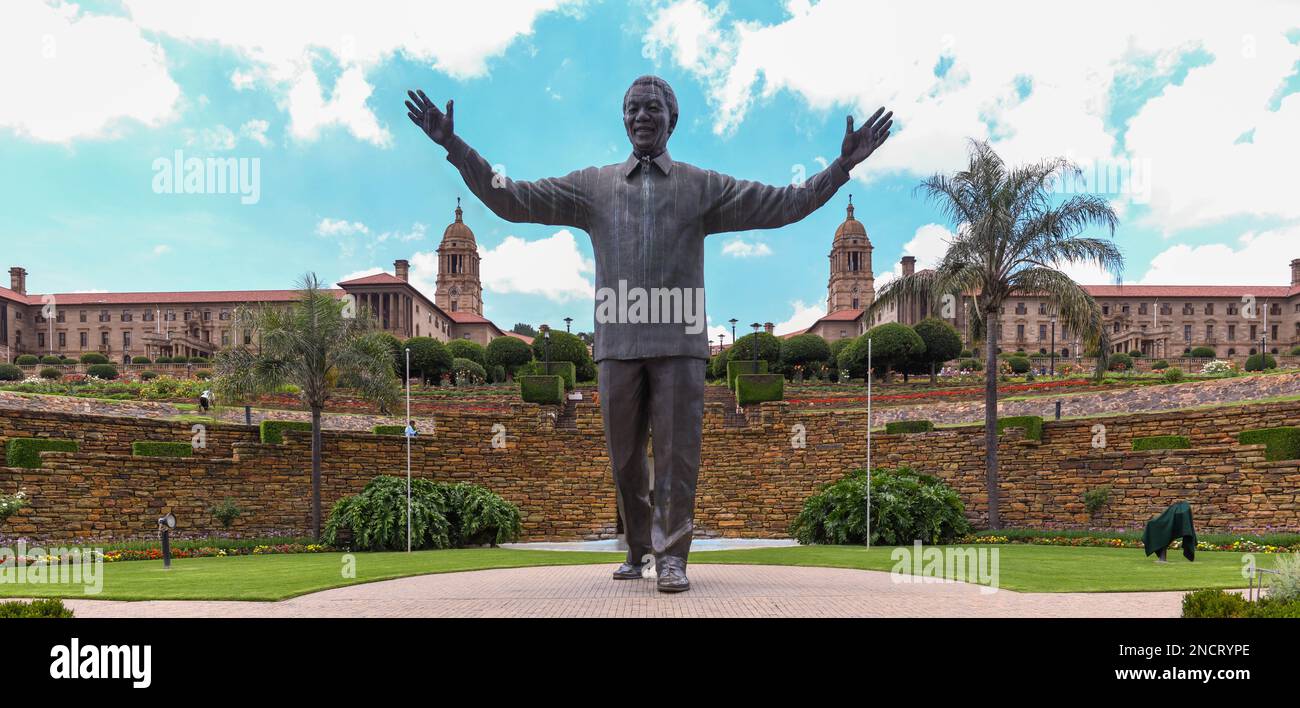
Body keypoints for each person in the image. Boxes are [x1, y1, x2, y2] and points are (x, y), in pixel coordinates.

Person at [406, 76, 892, 592]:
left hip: (680, 345)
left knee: (679, 458)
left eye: (652, 108)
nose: (642, 116)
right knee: (625, 463)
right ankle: (639, 548)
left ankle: (672, 557)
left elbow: (781, 204)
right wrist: (455, 148)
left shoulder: (701, 185)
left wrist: (841, 168)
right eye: (633, 108)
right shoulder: (592, 186)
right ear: (623, 118)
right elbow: (515, 199)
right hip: (617, 345)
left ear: (672, 120)